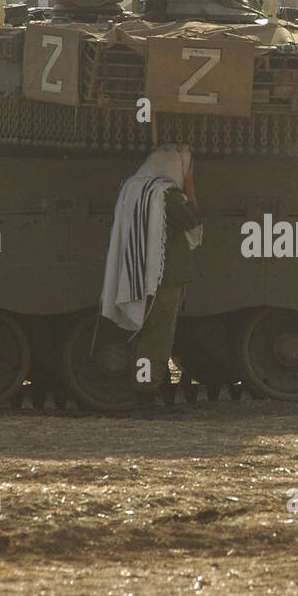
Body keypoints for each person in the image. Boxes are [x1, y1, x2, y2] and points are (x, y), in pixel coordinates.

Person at [100, 144, 202, 406]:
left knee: (142, 332)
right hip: (163, 276)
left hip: (135, 273)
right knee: (157, 336)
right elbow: (192, 218)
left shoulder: (132, 187)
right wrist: (189, 182)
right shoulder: (165, 193)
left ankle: (143, 386)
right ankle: (145, 394)